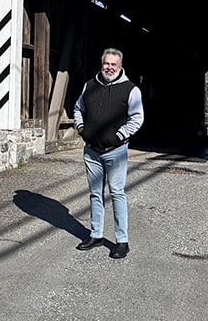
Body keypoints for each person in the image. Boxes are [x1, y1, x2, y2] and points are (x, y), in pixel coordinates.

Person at [73, 47, 144, 259]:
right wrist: (81, 129)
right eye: (106, 63)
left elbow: (137, 118)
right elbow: (78, 109)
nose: (109, 67)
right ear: (101, 64)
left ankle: (122, 241)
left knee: (116, 193)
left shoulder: (131, 90)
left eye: (114, 64)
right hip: (91, 152)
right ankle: (96, 234)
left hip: (116, 151)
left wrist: (119, 136)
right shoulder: (89, 86)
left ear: (120, 66)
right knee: (95, 194)